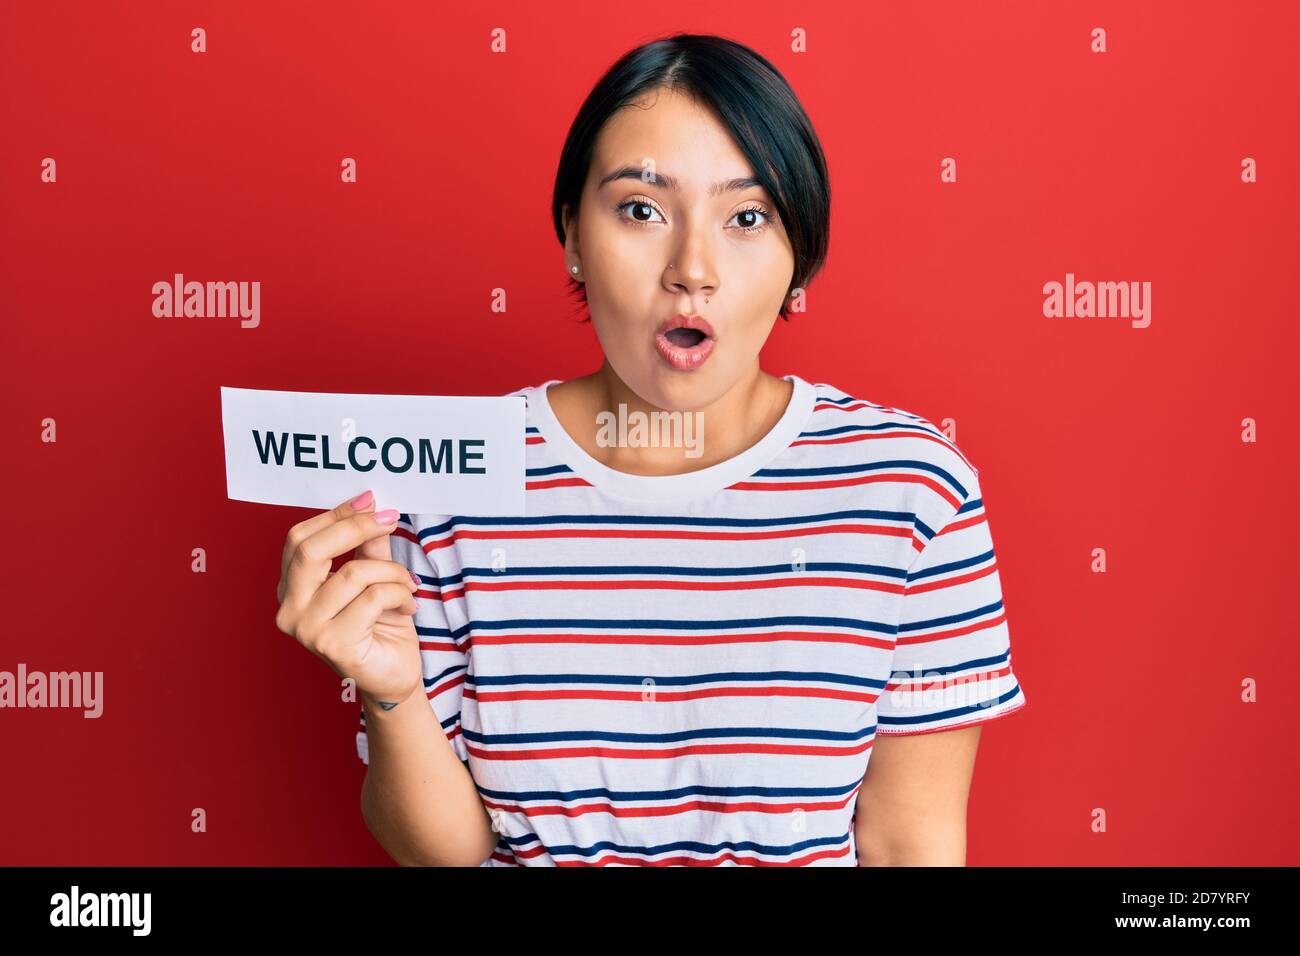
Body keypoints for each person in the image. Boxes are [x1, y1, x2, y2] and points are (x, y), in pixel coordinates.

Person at [274, 32, 1026, 866]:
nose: (691, 269)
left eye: (747, 217)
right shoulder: (460, 480)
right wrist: (392, 693)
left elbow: (909, 842)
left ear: (799, 260)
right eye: (641, 208)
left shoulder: (911, 492)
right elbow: (443, 853)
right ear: (571, 235)